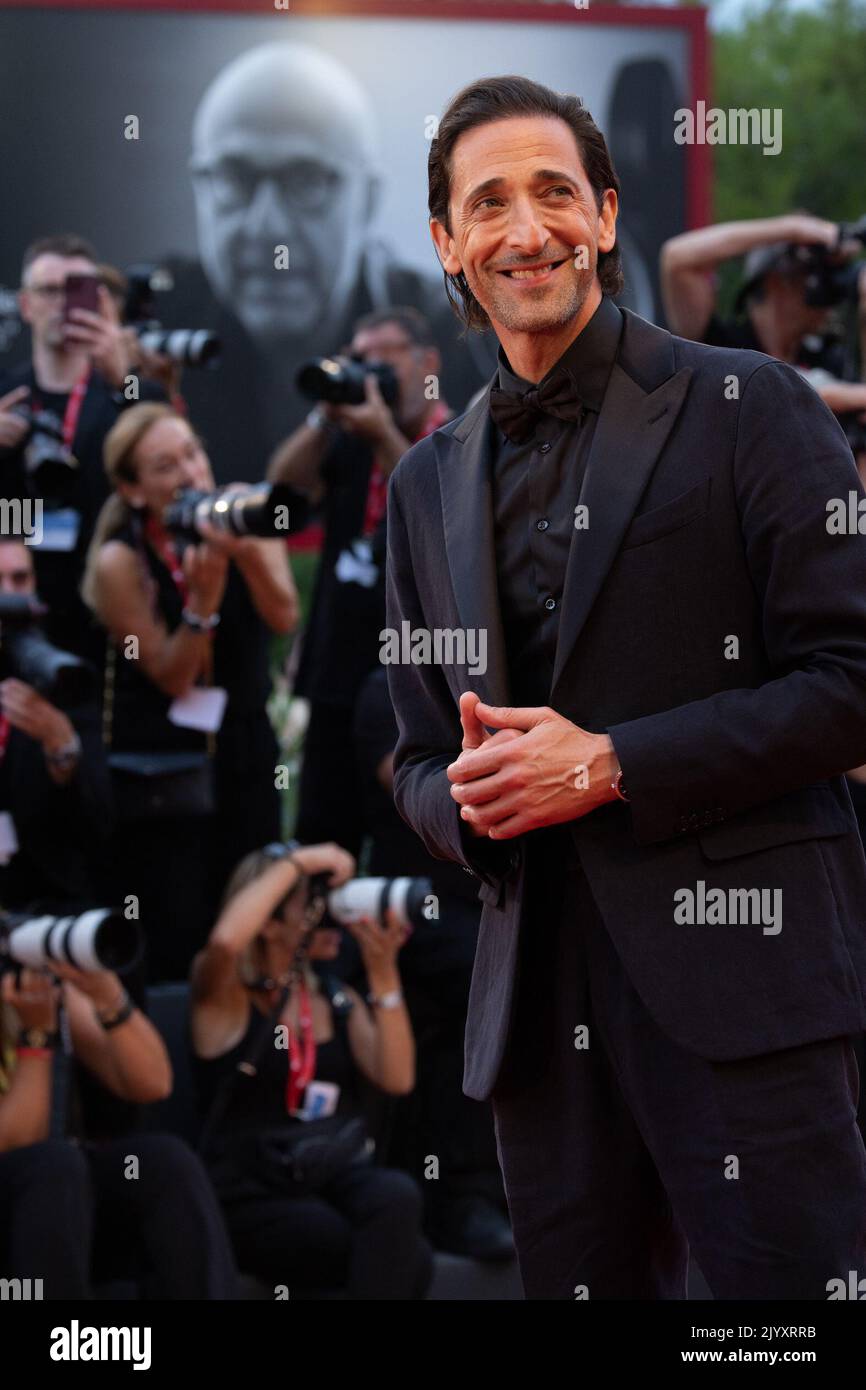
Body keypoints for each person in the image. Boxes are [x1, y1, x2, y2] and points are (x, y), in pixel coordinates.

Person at [386, 74, 866, 1300]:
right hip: (536, 1017)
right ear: (446, 242)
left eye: (552, 192)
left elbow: (850, 681)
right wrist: (471, 804)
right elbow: (406, 758)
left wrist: (606, 763)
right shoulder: (418, 485)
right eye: (485, 203)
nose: (524, 228)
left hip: (742, 991)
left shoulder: (748, 403)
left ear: (604, 216)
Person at [159, 42, 494, 482]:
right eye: (235, 178)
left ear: (368, 201)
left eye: (307, 181)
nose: (268, 228)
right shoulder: (152, 325)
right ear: (199, 190)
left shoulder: (460, 343)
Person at [81, 403, 297, 981]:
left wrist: (244, 551)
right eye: (165, 466)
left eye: (192, 453)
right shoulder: (119, 560)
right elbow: (173, 678)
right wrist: (202, 603)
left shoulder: (245, 514)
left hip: (245, 747)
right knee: (180, 924)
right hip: (167, 764)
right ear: (132, 489)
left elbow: (284, 615)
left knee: (249, 907)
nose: (190, 474)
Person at [190, 840, 433, 1300]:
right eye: (313, 904)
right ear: (268, 922)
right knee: (400, 1255)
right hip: (250, 1191)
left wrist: (383, 974)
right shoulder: (224, 997)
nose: (330, 916)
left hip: (326, 1172)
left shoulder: (334, 999)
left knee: (397, 1195)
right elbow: (225, 942)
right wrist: (299, 863)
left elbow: (397, 1077)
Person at [269, 306, 452, 854]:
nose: (368, 370)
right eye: (358, 358)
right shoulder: (347, 443)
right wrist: (324, 417)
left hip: (416, 686)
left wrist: (380, 435)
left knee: (409, 848)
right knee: (322, 843)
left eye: (383, 357)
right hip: (336, 678)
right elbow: (283, 484)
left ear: (428, 364)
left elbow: (435, 511)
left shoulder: (458, 438)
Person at [350, 667, 513, 1261]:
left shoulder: (512, 670)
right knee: (485, 976)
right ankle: (464, 1197)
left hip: (508, 892)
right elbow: (417, 793)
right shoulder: (391, 685)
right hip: (417, 904)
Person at [0, 960, 237, 1299]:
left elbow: (153, 1084)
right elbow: (17, 1143)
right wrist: (36, 1038)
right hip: (31, 1185)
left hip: (54, 1199)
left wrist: (106, 994)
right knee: (52, 1167)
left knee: (162, 1162)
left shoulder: (20, 982)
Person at [0, 235, 167, 663]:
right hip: (16, 602)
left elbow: (167, 460)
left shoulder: (128, 389)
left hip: (107, 608)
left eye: (77, 291)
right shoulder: (6, 393)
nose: (62, 304)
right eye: (50, 290)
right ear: (25, 305)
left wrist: (121, 378)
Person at [660, 213, 866, 420]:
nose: (831, 298)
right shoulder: (719, 350)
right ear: (777, 281)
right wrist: (793, 228)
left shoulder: (828, 358)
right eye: (819, 276)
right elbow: (677, 258)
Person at [0, 538, 111, 910]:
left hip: (45, 903)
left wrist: (61, 746)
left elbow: (98, 825)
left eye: (19, 580)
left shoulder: (63, 676)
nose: (9, 597)